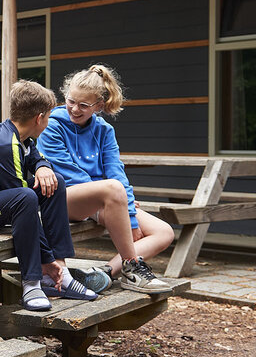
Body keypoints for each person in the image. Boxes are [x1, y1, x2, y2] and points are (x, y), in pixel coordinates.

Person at [0, 80, 98, 312]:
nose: (48, 123)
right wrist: (47, 258)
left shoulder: (22, 137)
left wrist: (43, 167)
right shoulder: (5, 145)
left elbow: (36, 157)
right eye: (48, 118)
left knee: (56, 182)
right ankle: (33, 283)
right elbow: (22, 199)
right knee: (25, 197)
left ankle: (62, 276)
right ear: (39, 118)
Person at [36, 65, 173, 294]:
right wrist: (114, 199)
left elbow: (116, 171)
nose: (74, 109)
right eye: (71, 101)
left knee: (164, 231)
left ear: (99, 106)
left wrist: (126, 210)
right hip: (63, 198)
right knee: (113, 189)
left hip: (103, 197)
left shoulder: (105, 130)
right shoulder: (52, 126)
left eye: (84, 105)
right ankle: (133, 267)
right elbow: (69, 175)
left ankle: (105, 272)